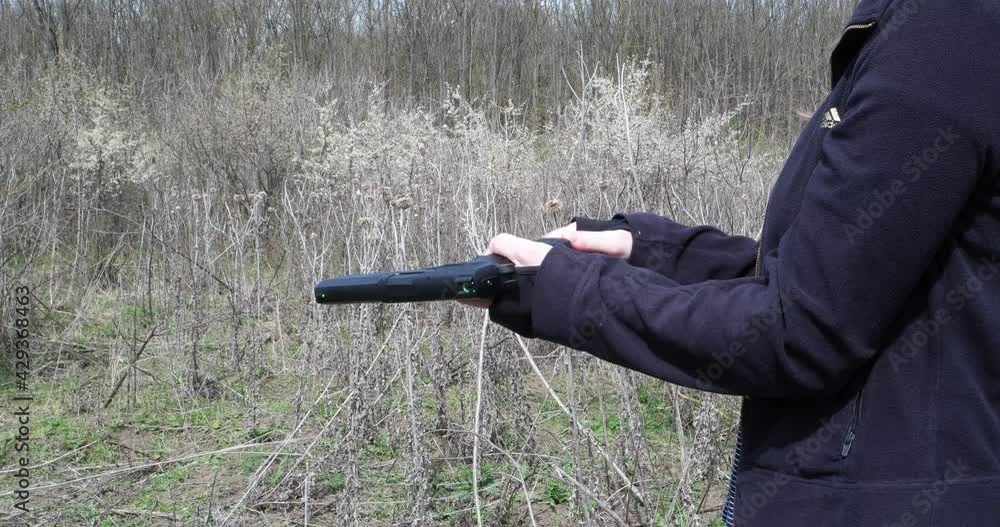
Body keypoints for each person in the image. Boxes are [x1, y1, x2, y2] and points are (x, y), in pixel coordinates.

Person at [467, 0, 1000, 525]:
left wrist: (565, 288)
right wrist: (657, 251)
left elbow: (801, 329)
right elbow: (842, 278)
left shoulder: (943, 32)